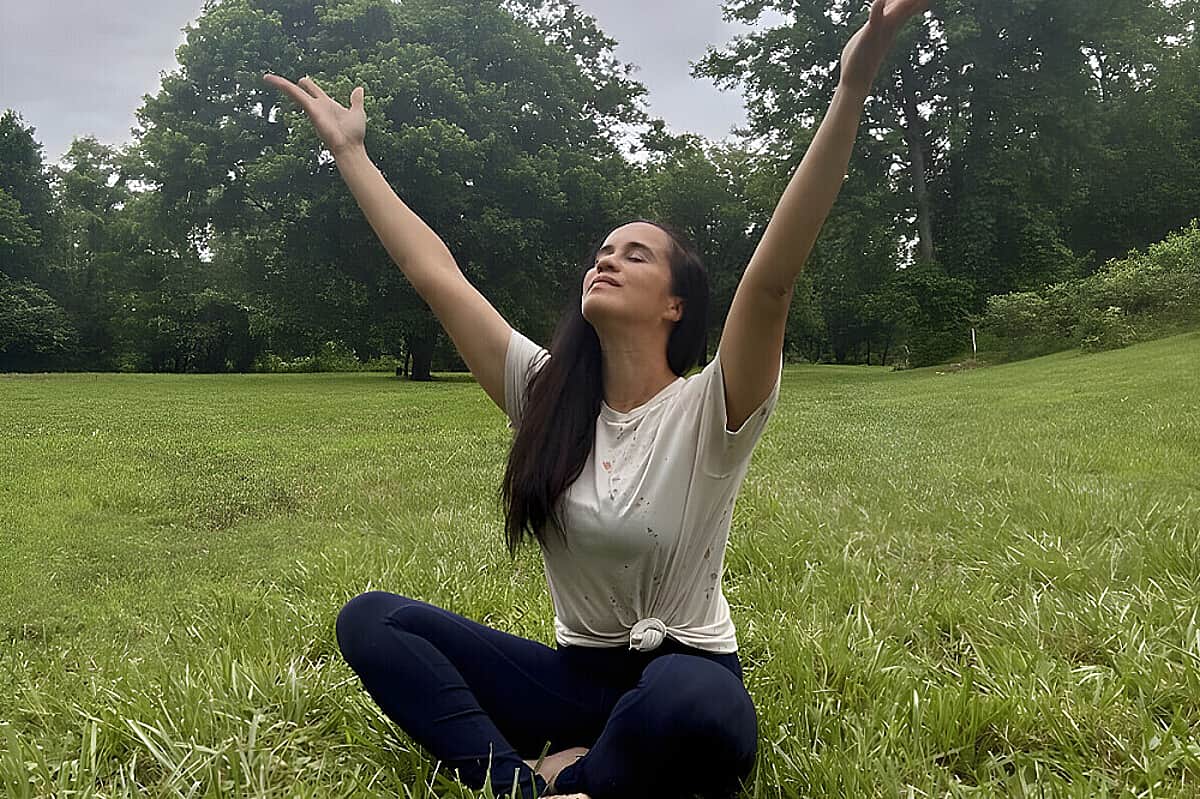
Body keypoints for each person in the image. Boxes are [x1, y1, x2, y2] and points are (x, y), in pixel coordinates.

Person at [264, 2, 929, 796]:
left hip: (688, 672)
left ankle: (583, 776)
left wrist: (851, 87)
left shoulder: (712, 407)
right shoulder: (543, 391)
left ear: (675, 303)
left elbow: (774, 278)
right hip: (576, 681)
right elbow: (433, 273)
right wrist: (352, 155)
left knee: (690, 702)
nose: (606, 261)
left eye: (635, 255)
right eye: (601, 252)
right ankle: (522, 783)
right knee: (373, 621)